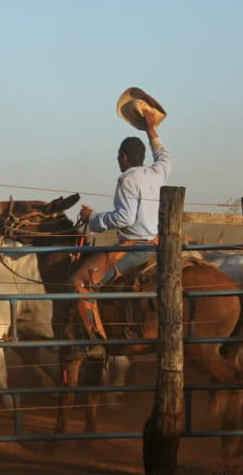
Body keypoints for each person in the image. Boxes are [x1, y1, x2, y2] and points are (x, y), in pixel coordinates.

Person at [71, 107, 171, 341]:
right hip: (157, 242)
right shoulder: (157, 173)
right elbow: (165, 157)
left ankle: (95, 342)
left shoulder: (127, 179)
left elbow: (125, 218)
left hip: (136, 247)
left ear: (124, 157)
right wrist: (151, 130)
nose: (118, 159)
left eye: (118, 155)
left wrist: (92, 218)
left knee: (81, 282)